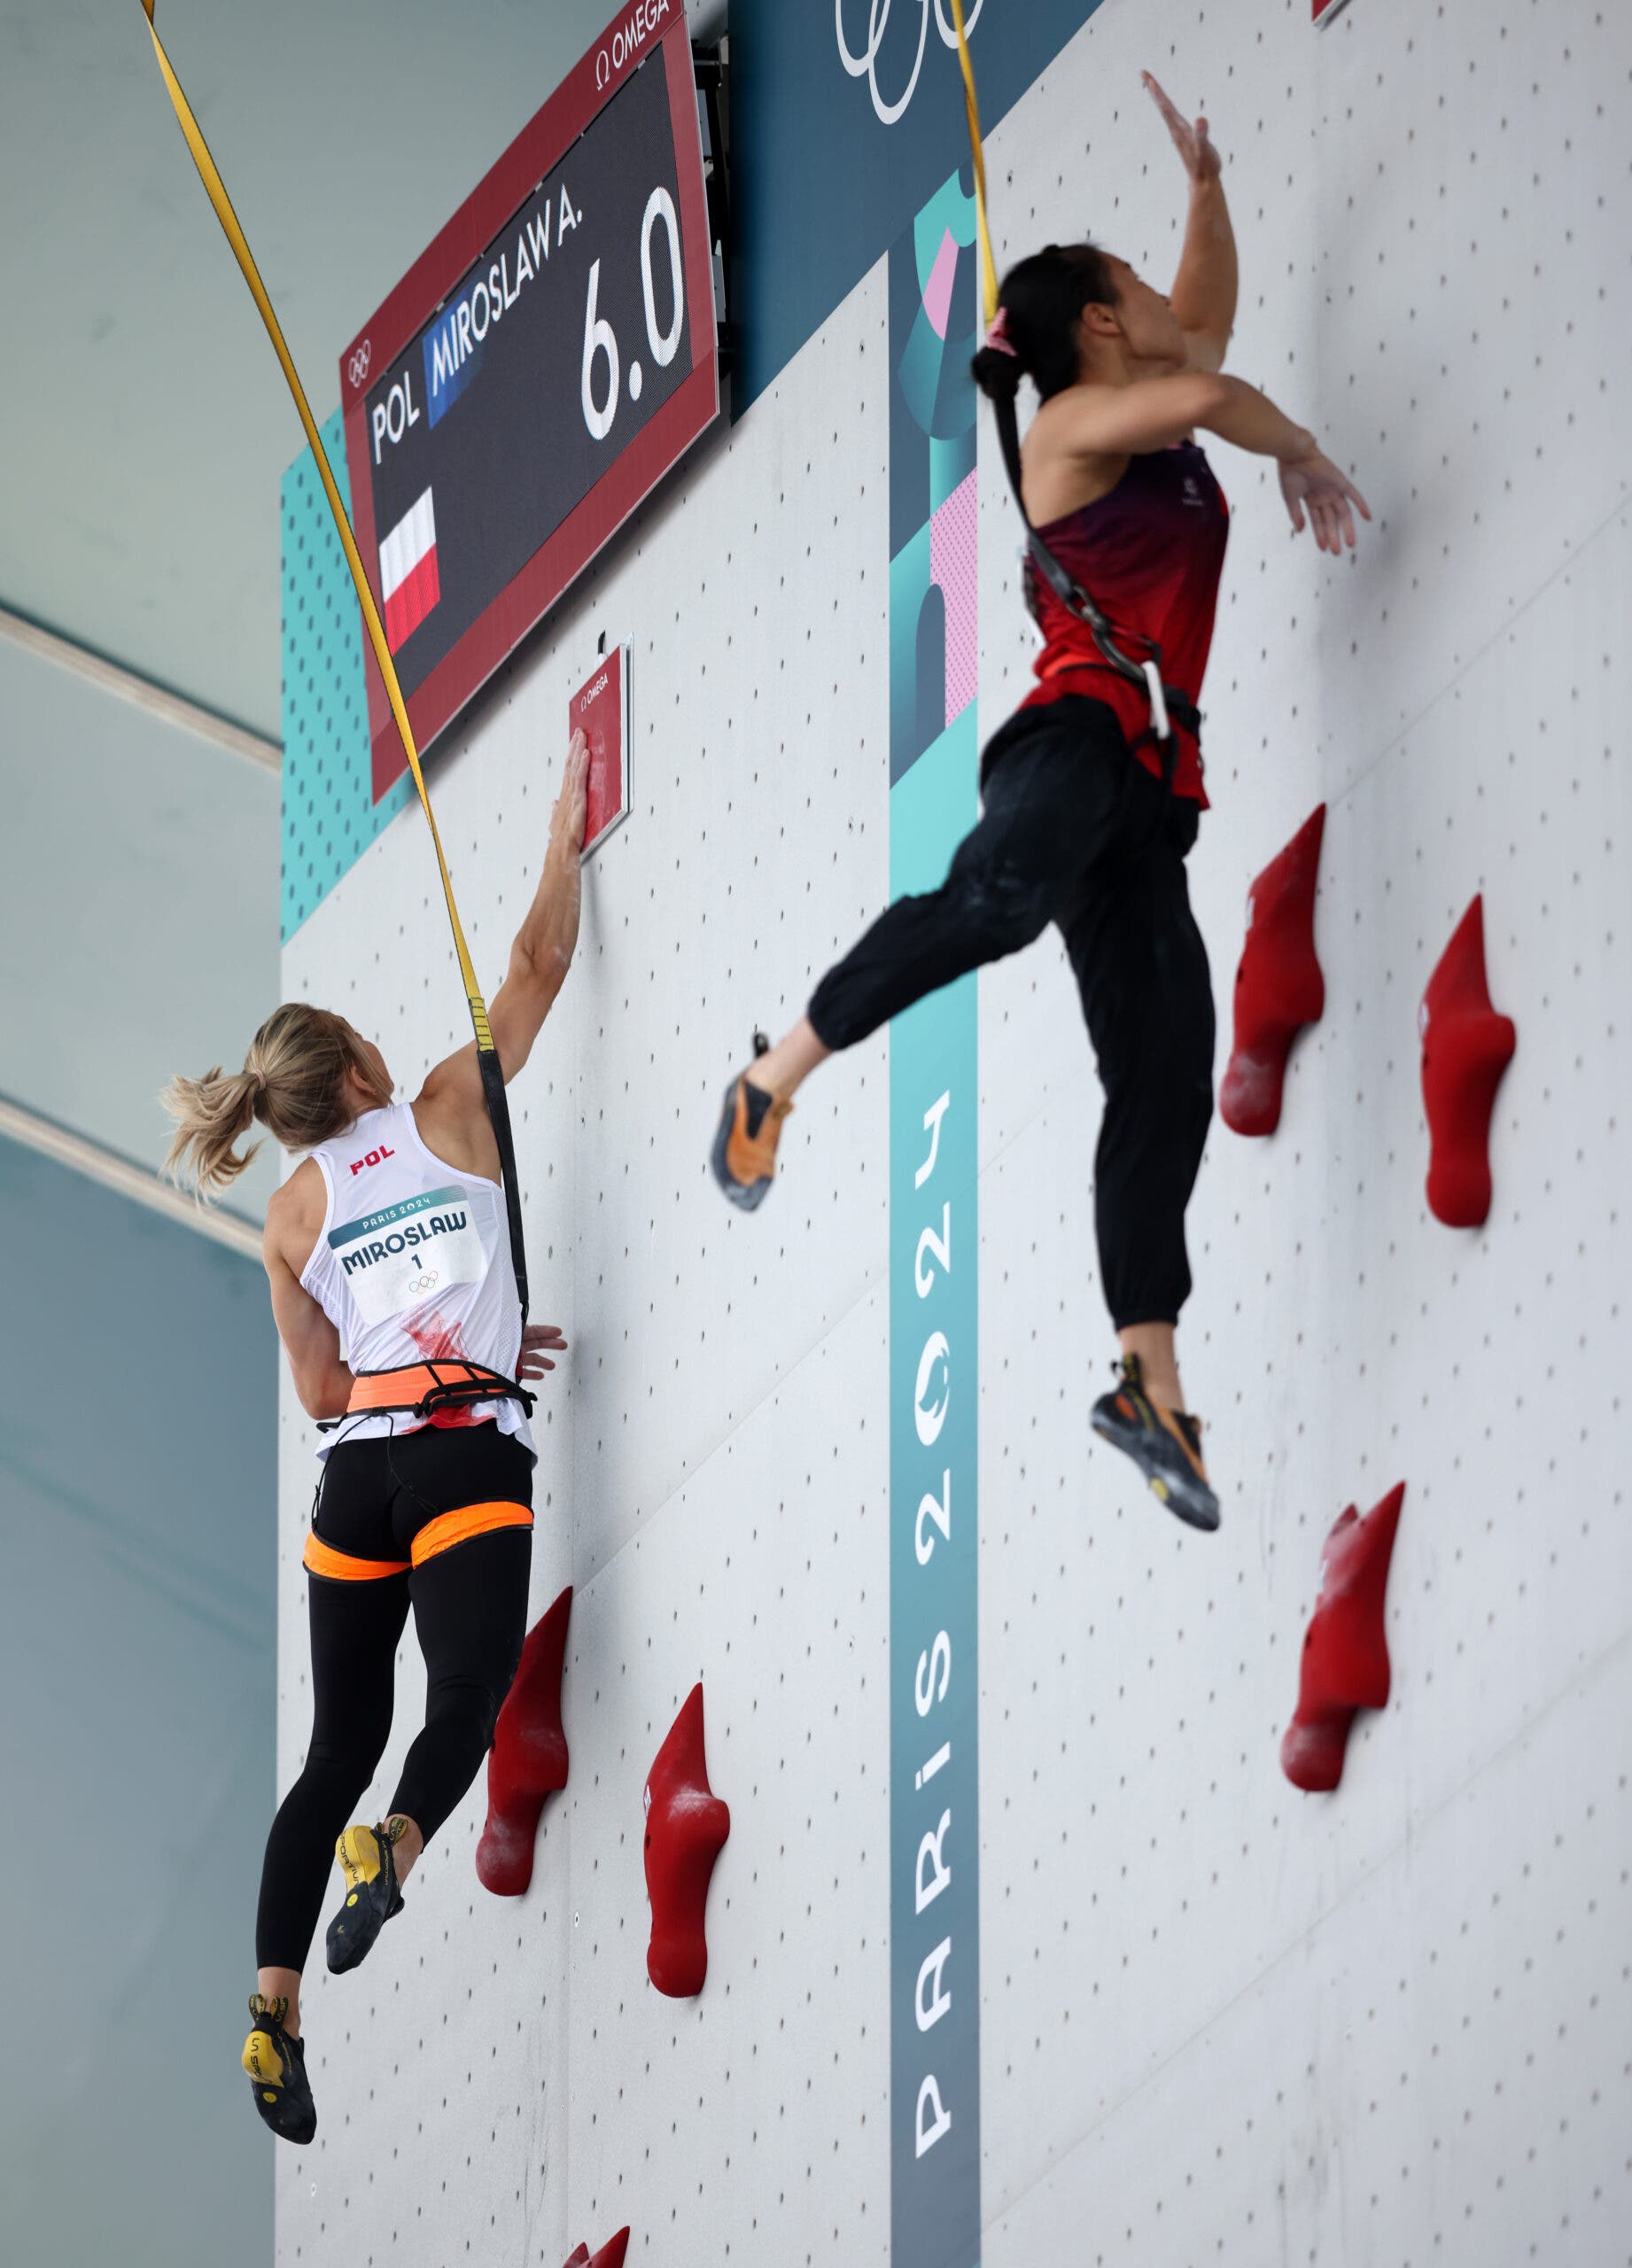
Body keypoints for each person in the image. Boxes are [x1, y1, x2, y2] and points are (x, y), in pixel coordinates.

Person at [710, 75, 1369, 1533]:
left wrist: (1203, 187)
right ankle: (773, 1080)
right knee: (996, 904)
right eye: (1134, 282)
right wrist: (1301, 450)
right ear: (1094, 328)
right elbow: (1203, 384)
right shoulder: (1069, 431)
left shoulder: (1140, 398)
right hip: (1070, 744)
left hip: (1145, 798)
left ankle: (1148, 1383)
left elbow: (1201, 336)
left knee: (1162, 1072)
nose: (1160, 296)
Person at [163, 732, 589, 2144]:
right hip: (466, 1457)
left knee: (337, 1737)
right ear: (355, 1060)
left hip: (359, 1486)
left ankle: (272, 2008)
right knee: (462, 1690)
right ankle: (394, 1850)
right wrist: (562, 841)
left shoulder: (289, 1215)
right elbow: (532, 976)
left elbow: (326, 1392)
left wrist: (443, 1354)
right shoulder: (449, 1107)